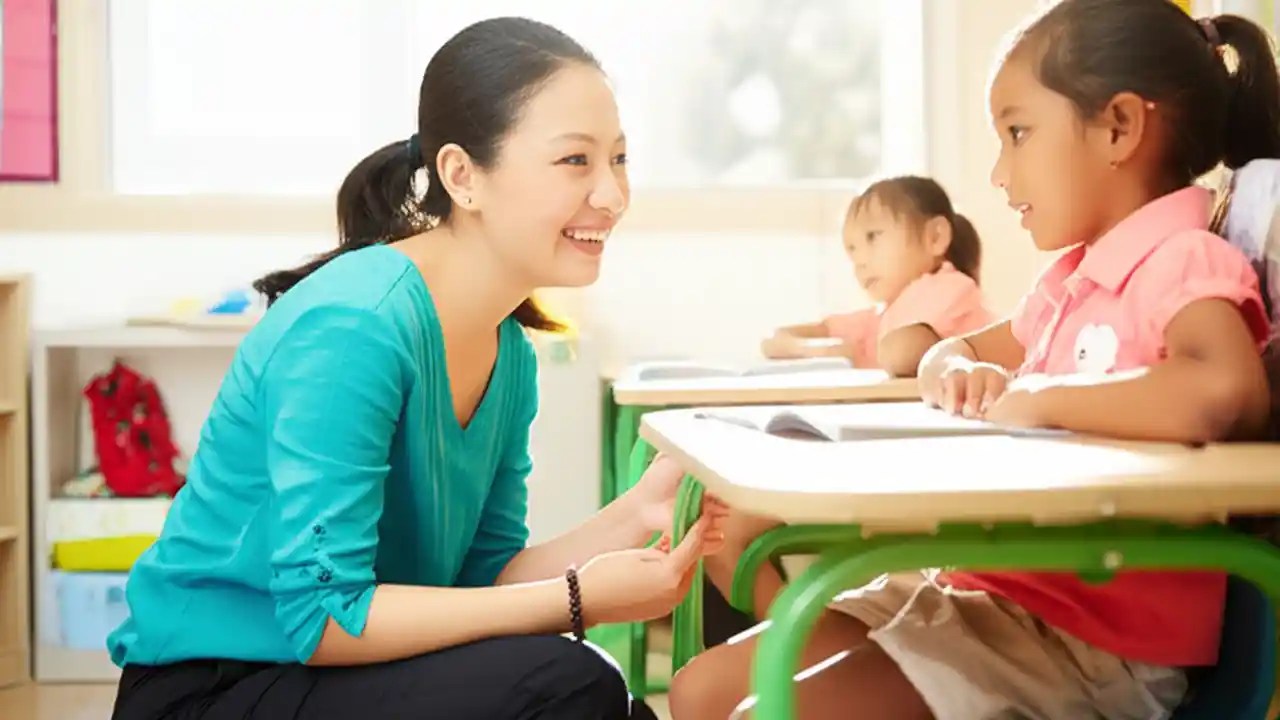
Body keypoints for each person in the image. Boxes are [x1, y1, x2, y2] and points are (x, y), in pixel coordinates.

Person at [107, 17, 726, 720]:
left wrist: (633, 516)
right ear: (463, 176)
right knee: (572, 684)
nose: (612, 195)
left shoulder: (508, 354)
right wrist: (578, 599)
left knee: (612, 706)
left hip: (334, 675)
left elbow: (480, 583)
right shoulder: (356, 327)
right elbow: (326, 617)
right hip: (216, 687)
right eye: (575, 161)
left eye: (618, 159)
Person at [671, 2, 1276, 718]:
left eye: (1017, 133)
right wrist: (956, 372)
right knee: (699, 690)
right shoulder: (1072, 281)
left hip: (1090, 646)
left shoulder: (1183, 260)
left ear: (1118, 127)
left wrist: (1044, 398)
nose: (997, 171)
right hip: (989, 594)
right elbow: (950, 349)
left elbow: (1224, 386)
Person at [762, 176, 993, 375]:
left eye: (872, 237)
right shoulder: (883, 316)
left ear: (934, 237)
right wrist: (822, 350)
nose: (859, 261)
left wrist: (844, 353)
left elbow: (902, 351)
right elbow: (774, 341)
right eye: (852, 249)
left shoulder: (951, 289)